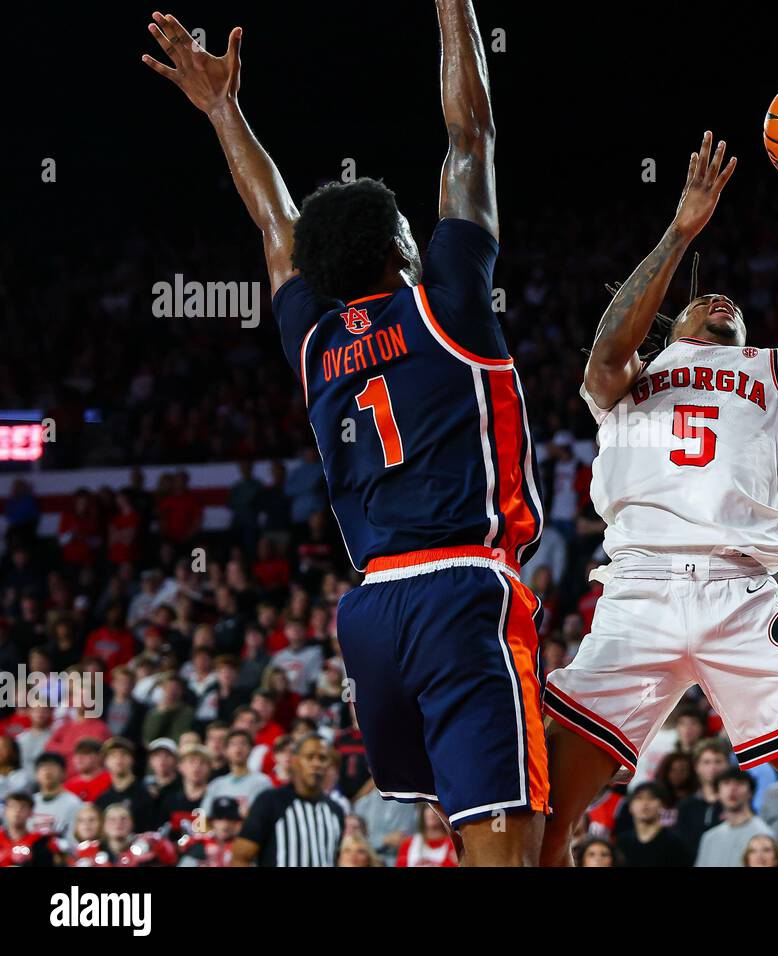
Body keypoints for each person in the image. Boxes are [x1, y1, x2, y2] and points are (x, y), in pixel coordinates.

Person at [143, 2, 546, 866]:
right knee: (506, 848)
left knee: (471, 831)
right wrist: (453, 10)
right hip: (460, 589)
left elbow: (271, 224)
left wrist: (222, 112)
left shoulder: (314, 339)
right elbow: (469, 135)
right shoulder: (446, 303)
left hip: (369, 616)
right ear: (405, 245)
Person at [540, 131, 778, 867]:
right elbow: (607, 348)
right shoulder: (629, 379)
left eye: (726, 303)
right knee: (547, 819)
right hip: (637, 597)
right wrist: (680, 230)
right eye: (701, 302)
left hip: (741, 596)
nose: (719, 300)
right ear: (672, 327)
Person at [231, 736, 345, 867]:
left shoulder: (335, 811)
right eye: (310, 757)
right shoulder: (270, 801)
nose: (316, 764)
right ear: (295, 761)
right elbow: (240, 858)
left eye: (322, 758)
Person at [693, 769, 775, 868]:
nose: (732, 789)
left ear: (751, 793)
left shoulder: (765, 835)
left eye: (740, 783)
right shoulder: (709, 838)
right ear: (717, 793)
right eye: (726, 783)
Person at [618, 782, 691, 867]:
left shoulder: (675, 844)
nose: (645, 803)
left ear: (663, 805)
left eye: (651, 798)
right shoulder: (622, 842)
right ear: (630, 806)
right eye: (639, 798)